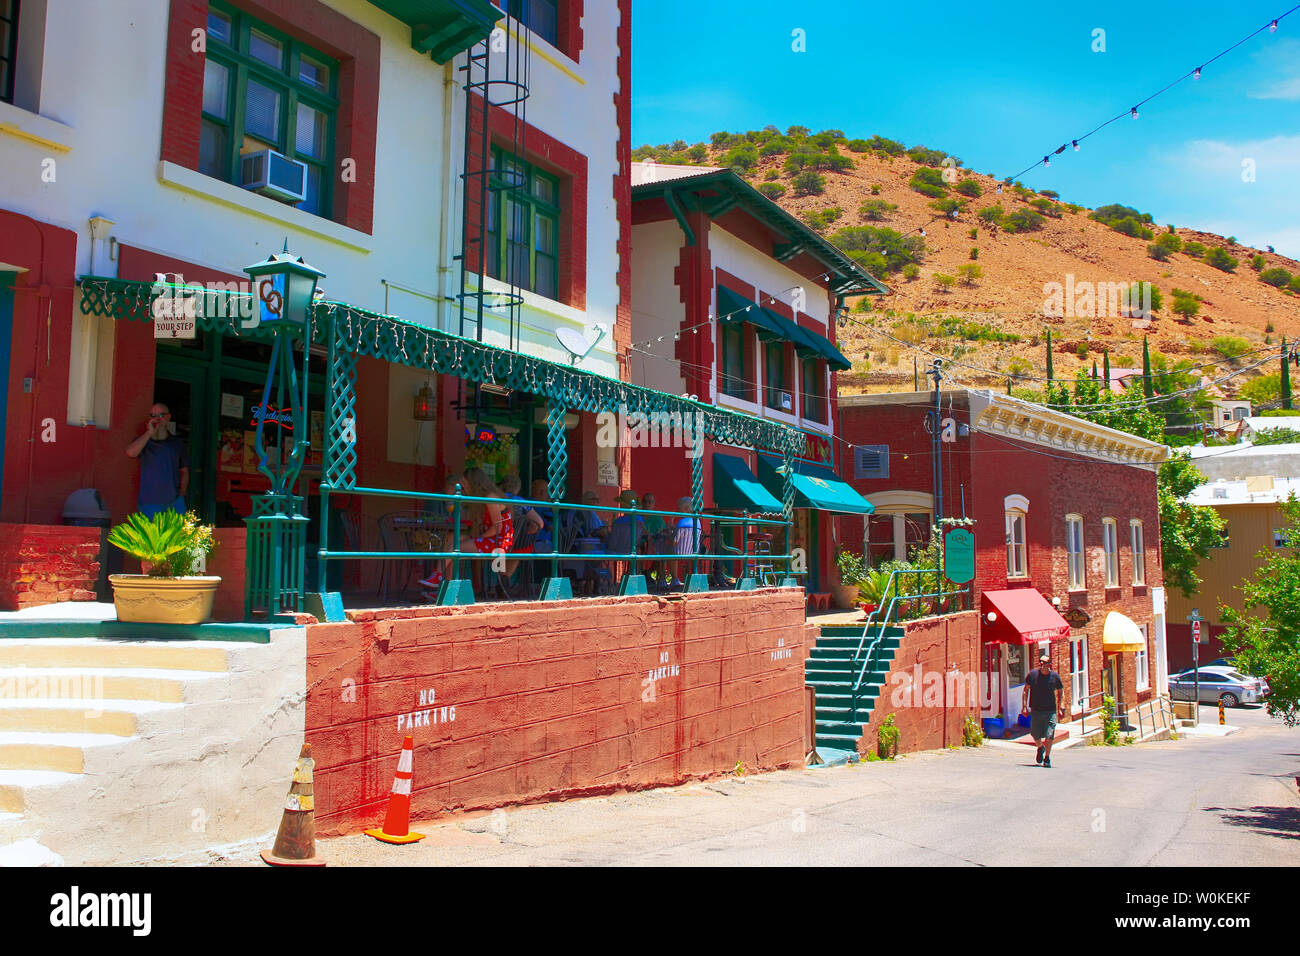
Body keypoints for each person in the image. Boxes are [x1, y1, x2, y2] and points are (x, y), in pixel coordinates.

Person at [125, 403, 189, 518]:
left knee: (177, 534)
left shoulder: (177, 443)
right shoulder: (143, 441)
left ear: (168, 417)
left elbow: (184, 470)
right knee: (152, 535)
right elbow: (130, 453)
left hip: (174, 502)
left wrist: (182, 494)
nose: (157, 419)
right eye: (153, 415)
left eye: (161, 415)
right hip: (150, 502)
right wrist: (149, 433)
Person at [1021, 651, 1065, 768]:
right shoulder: (1033, 675)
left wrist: (1061, 706)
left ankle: (1047, 758)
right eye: (1040, 661)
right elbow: (1026, 690)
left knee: (1049, 734)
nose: (1042, 664)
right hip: (1036, 710)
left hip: (1050, 711)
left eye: (1044, 662)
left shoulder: (1054, 677)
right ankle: (1040, 747)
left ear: (1049, 664)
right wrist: (1024, 706)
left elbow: (1061, 691)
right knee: (1035, 734)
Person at [671, 496, 701, 588]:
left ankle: (674, 578)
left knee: (667, 553)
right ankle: (692, 576)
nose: (678, 511)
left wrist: (671, 523)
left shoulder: (682, 522)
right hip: (693, 551)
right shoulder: (697, 521)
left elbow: (675, 541)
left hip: (680, 552)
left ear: (686, 509)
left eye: (680, 509)